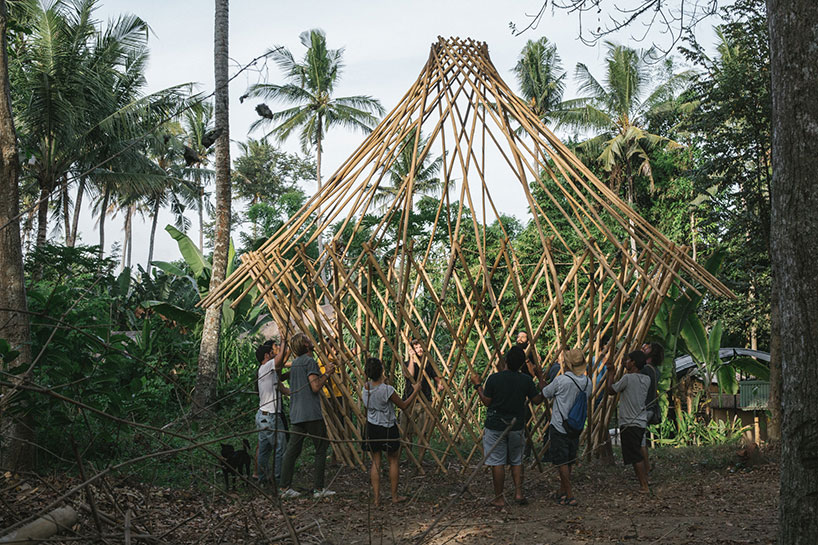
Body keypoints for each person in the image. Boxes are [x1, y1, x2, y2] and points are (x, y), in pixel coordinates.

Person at [470, 346, 544, 507]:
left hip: (495, 425)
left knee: (497, 462)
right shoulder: (526, 380)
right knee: (517, 460)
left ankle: (499, 498)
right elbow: (537, 400)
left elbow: (487, 402)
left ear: (506, 361)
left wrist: (478, 386)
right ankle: (519, 493)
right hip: (516, 426)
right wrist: (540, 379)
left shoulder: (494, 379)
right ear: (520, 364)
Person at [278, 333, 337, 499]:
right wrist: (327, 373)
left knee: (291, 451)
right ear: (304, 344)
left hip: (296, 413)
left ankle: (284, 488)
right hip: (311, 413)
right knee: (321, 448)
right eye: (307, 339)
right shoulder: (309, 361)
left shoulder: (295, 363)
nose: (311, 340)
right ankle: (319, 488)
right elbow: (315, 386)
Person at [361, 357, 421, 505]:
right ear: (381, 370)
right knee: (393, 460)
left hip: (371, 427)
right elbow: (403, 405)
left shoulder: (365, 388)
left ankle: (376, 499)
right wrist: (416, 391)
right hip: (387, 428)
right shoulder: (387, 390)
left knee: (376, 461)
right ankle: (394, 497)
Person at [541, 349, 592, 506]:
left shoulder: (561, 380)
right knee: (569, 460)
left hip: (560, 426)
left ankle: (570, 494)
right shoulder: (587, 382)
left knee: (562, 461)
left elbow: (545, 392)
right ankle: (562, 492)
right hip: (576, 426)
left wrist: (539, 377)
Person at [606, 350, 651, 493]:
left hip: (629, 422)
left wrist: (611, 373)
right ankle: (645, 480)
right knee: (637, 453)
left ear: (633, 363)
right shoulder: (646, 379)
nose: (625, 362)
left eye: (628, 360)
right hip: (641, 422)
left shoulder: (627, 378)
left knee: (635, 456)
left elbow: (611, 390)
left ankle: (644, 485)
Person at [400, 339, 443, 463]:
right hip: (409, 400)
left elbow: (436, 377)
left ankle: (420, 459)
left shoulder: (428, 364)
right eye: (416, 347)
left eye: (421, 347)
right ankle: (409, 458)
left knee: (422, 432)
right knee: (406, 431)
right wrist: (412, 359)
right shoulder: (407, 363)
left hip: (425, 400)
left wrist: (439, 384)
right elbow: (409, 375)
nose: (419, 349)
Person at [256, 338, 289, 486]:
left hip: (263, 415)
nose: (273, 354)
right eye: (271, 353)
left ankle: (263, 479)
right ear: (266, 357)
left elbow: (284, 390)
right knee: (280, 448)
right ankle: (279, 480)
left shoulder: (271, 373)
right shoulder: (265, 368)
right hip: (270, 416)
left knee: (264, 450)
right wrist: (283, 341)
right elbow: (281, 358)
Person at [640, 342, 664, 472]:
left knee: (640, 440)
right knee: (641, 438)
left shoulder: (645, 370)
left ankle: (646, 467)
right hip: (651, 409)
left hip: (645, 409)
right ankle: (646, 466)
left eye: (647, 347)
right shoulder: (655, 370)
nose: (644, 347)